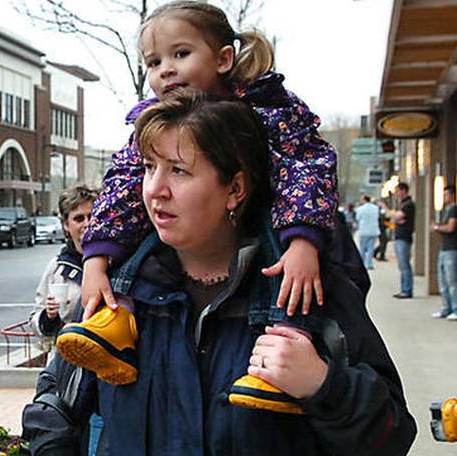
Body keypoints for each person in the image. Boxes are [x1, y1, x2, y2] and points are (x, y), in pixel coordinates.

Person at [25, 90, 415, 456]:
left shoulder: (306, 294)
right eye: (148, 167)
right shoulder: (119, 292)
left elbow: (389, 439)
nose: (154, 191)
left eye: (180, 171)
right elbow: (54, 398)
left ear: (235, 187)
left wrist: (324, 385)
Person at [60, 1, 337, 415]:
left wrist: (303, 241)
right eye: (153, 62)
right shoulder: (148, 124)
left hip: (274, 228)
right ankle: (118, 325)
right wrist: (97, 259)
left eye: (180, 54)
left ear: (224, 58)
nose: (165, 70)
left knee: (284, 273)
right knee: (140, 244)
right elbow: (120, 189)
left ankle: (280, 351)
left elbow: (308, 168)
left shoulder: (268, 109)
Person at [29, 185, 96, 338]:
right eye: (79, 219)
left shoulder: (114, 262)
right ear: (66, 225)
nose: (87, 224)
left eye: (92, 216)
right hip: (65, 356)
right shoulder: (57, 268)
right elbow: (35, 321)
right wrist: (48, 317)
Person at [431, 185, 457, 319]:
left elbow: (451, 227)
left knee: (452, 281)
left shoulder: (454, 209)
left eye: (447, 194)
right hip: (444, 248)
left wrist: (437, 227)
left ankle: (455, 308)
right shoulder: (445, 209)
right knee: (443, 281)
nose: (445, 197)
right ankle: (446, 307)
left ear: (453, 195)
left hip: (452, 248)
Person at [392, 181, 415, 298]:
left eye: (397, 191)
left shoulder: (408, 204)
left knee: (404, 264)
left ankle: (407, 289)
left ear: (403, 191)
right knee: (402, 265)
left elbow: (396, 216)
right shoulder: (401, 204)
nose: (396, 194)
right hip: (399, 236)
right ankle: (404, 288)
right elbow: (395, 219)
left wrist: (386, 209)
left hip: (404, 237)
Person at [355, 194, 381, 270]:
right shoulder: (375, 208)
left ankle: (362, 264)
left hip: (364, 230)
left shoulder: (360, 209)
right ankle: (369, 264)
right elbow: (377, 217)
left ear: (364, 200)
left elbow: (358, 218)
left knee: (362, 248)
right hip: (373, 230)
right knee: (371, 248)